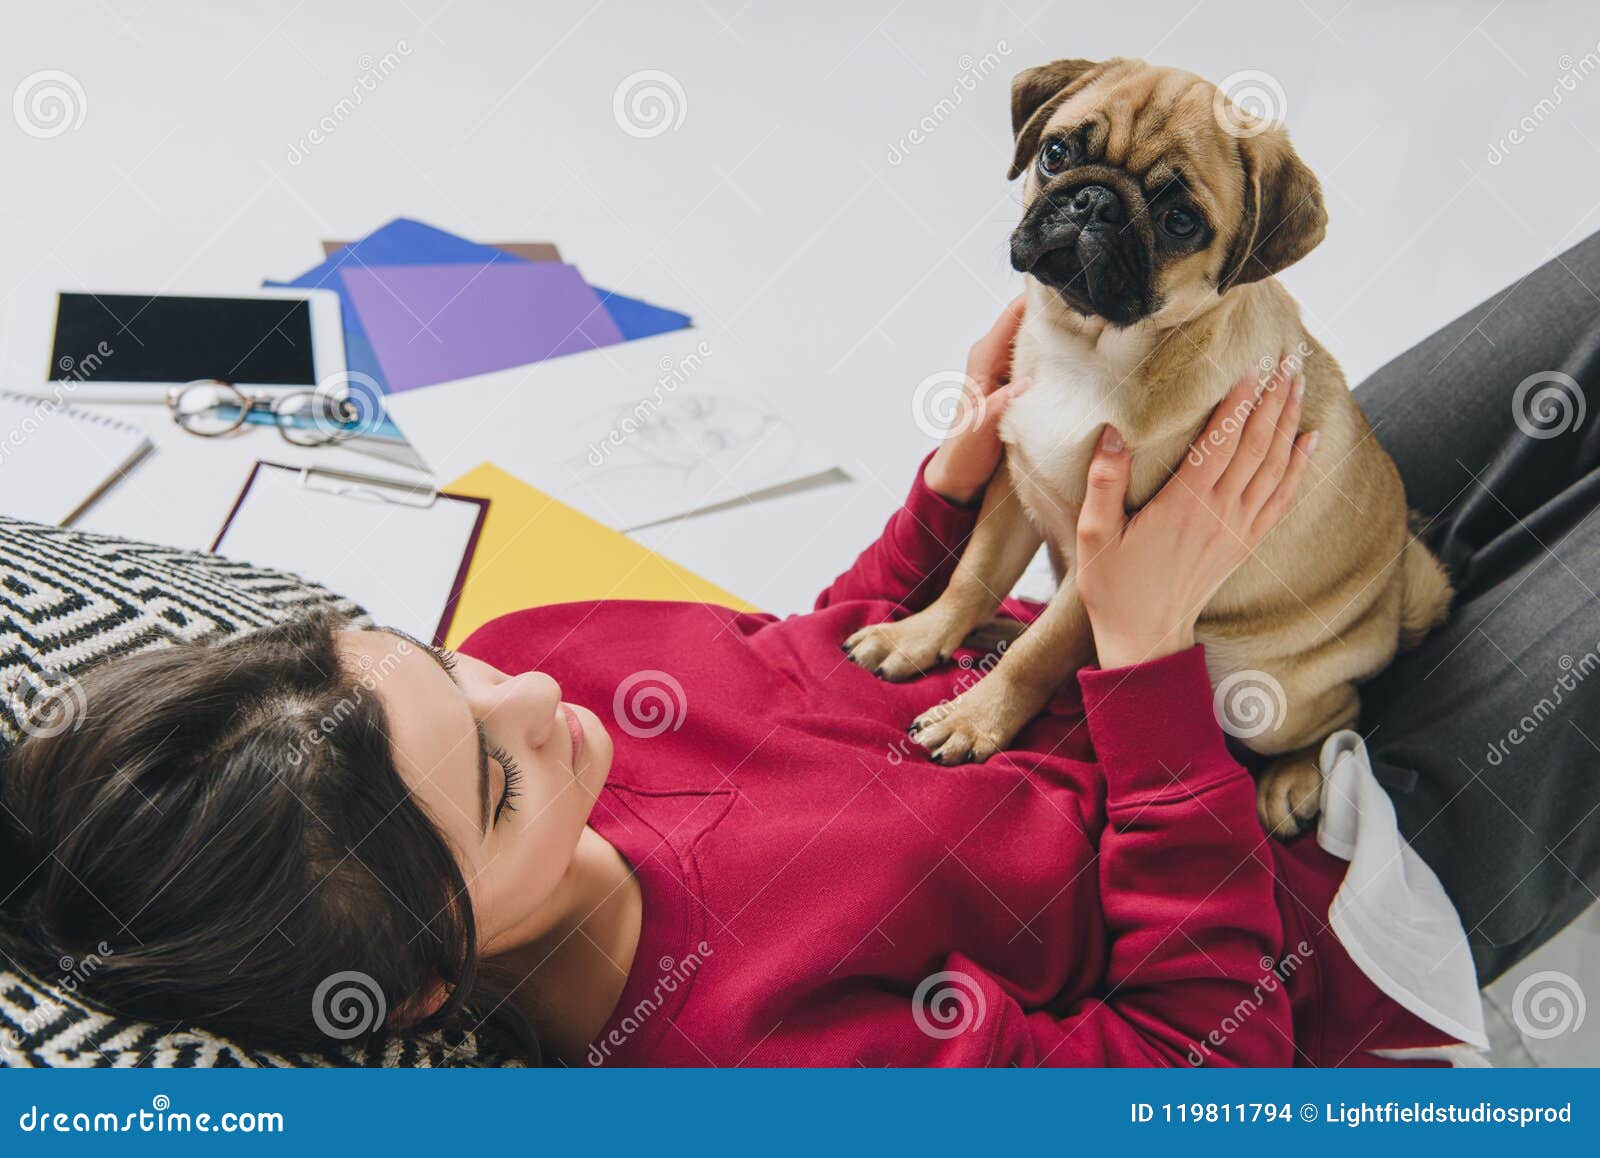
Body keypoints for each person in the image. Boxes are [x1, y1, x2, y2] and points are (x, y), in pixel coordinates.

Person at [0, 301, 1496, 1068]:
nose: (536, 695)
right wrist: (1152, 670)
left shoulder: (553, 662)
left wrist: (945, 498)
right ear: (425, 983)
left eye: (451, 666)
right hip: (1331, 859)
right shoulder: (753, 1051)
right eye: (498, 780)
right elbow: (1192, 1062)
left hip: (1176, 608)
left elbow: (799, 667)